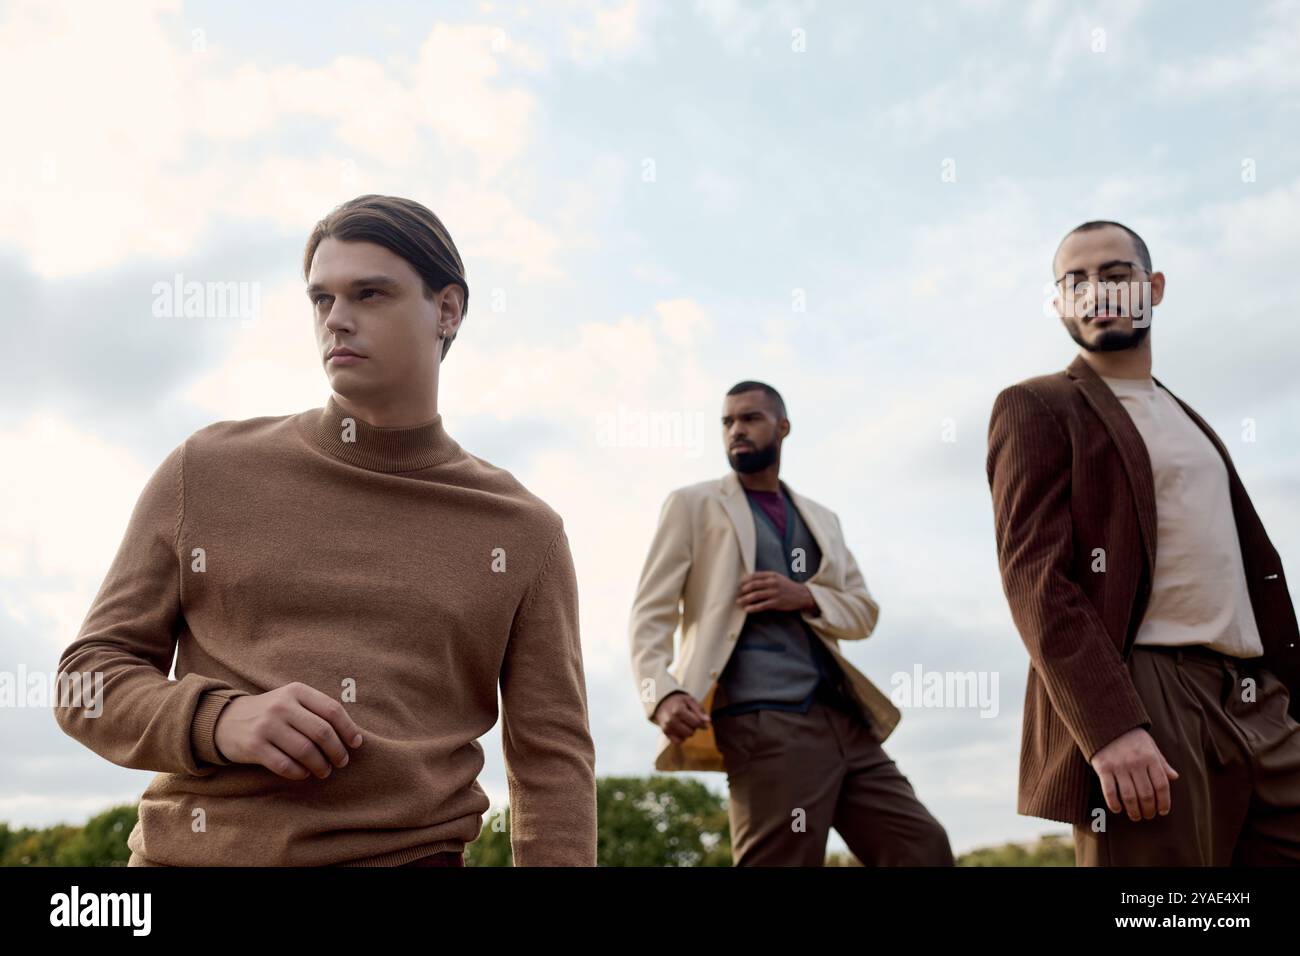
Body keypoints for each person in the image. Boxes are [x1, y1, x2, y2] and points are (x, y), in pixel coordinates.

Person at [53, 194, 596, 866]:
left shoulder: (524, 531)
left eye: (370, 294)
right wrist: (218, 720)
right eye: (321, 300)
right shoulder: (207, 469)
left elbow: (553, 766)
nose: (337, 320)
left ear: (448, 310)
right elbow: (84, 683)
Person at [986, 219, 1300, 865]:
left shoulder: (1188, 417)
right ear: (1059, 303)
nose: (1095, 290)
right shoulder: (1037, 406)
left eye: (1115, 273)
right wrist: (1110, 727)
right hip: (1149, 693)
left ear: (1153, 288)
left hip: (1257, 696)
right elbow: (1036, 579)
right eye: (1075, 280)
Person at [630, 380, 953, 866]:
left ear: (782, 427)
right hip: (763, 719)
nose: (736, 430)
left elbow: (863, 611)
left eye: (750, 418)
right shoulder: (692, 504)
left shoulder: (822, 519)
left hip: (845, 717)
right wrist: (662, 691)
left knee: (922, 848)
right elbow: (650, 612)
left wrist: (804, 595)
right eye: (727, 421)